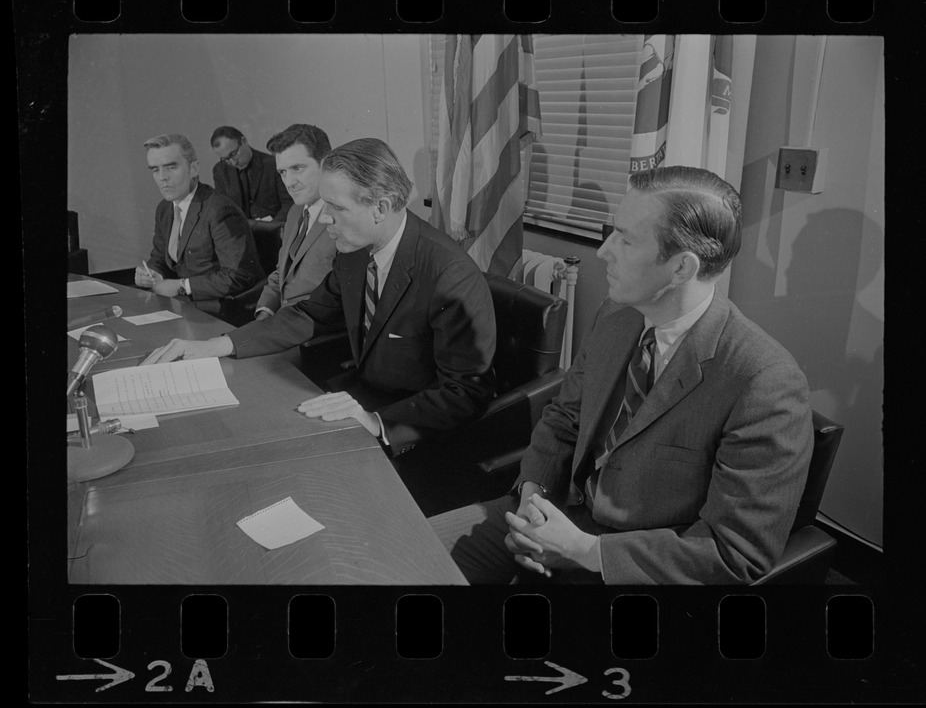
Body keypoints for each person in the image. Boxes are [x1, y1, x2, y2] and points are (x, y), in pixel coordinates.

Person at [429, 165, 814, 585]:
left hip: (634, 567)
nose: (604, 251)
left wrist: (583, 551)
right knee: (389, 554)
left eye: (626, 239)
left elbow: (733, 552)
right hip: (553, 516)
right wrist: (532, 498)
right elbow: (564, 420)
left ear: (681, 269)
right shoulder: (617, 316)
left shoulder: (764, 382)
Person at [143, 137, 497, 459]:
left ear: (381, 206)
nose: (324, 217)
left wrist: (375, 422)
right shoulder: (355, 251)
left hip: (414, 426)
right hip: (363, 394)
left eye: (336, 207)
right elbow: (308, 315)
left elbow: (464, 392)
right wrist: (215, 345)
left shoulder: (449, 273)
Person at [134, 133, 264, 317]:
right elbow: (160, 258)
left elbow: (238, 276)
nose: (163, 177)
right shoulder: (164, 209)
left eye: (171, 167)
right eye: (155, 170)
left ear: (193, 168)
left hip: (216, 308)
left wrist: (180, 287)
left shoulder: (220, 209)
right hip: (182, 302)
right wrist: (152, 274)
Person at [254, 124, 338, 321]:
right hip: (283, 324)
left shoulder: (342, 216)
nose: (289, 182)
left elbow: (336, 302)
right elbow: (282, 274)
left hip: (316, 332)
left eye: (297, 168)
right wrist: (264, 313)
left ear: (325, 163)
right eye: (282, 172)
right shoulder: (295, 211)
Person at [211, 126, 293, 222]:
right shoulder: (220, 170)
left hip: (274, 230)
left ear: (244, 141)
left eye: (233, 154)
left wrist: (271, 228)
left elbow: (289, 203)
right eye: (226, 159)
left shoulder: (272, 164)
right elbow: (223, 208)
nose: (233, 162)